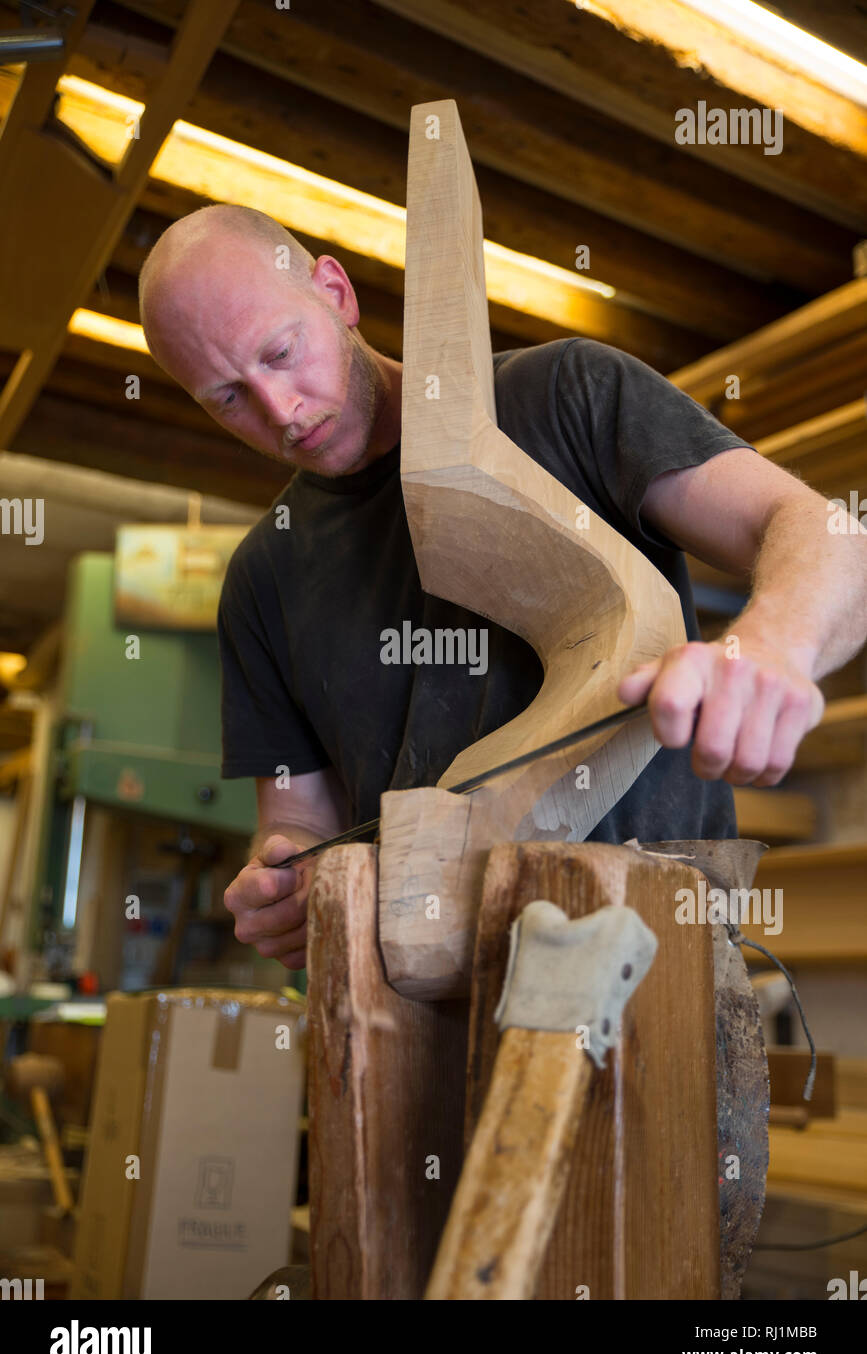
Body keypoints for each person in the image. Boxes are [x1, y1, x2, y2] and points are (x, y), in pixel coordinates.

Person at [139, 203, 867, 971]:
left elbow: (827, 534)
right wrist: (284, 879)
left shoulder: (563, 396)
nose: (279, 411)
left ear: (334, 291)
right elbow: (296, 816)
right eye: (226, 397)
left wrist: (770, 646)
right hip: (415, 992)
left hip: (655, 964)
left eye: (281, 352)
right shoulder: (262, 575)